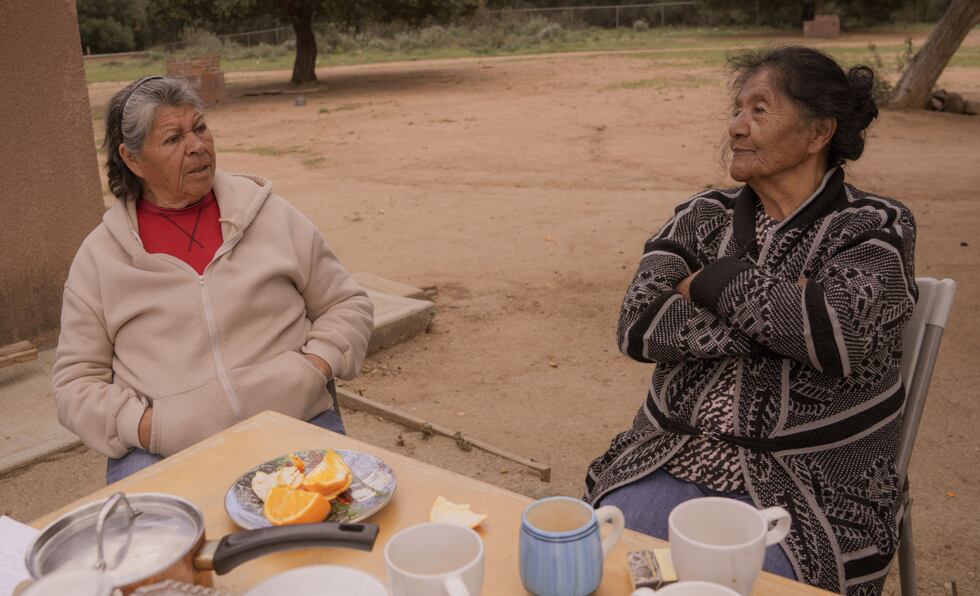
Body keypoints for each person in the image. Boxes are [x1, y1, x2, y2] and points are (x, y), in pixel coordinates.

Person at [585, 47, 916, 595]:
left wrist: (711, 284)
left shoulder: (875, 226)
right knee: (603, 570)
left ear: (818, 133)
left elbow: (836, 335)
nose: (736, 127)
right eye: (738, 110)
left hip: (810, 490)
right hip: (666, 457)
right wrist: (783, 319)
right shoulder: (702, 215)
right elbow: (640, 325)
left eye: (759, 110)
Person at [53, 76, 373, 484]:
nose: (198, 146)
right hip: (163, 452)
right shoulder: (100, 258)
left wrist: (312, 368)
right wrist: (147, 426)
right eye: (173, 139)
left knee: (327, 539)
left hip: (294, 424)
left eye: (200, 128)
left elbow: (347, 304)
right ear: (132, 159)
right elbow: (75, 384)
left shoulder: (270, 215)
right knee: (154, 546)